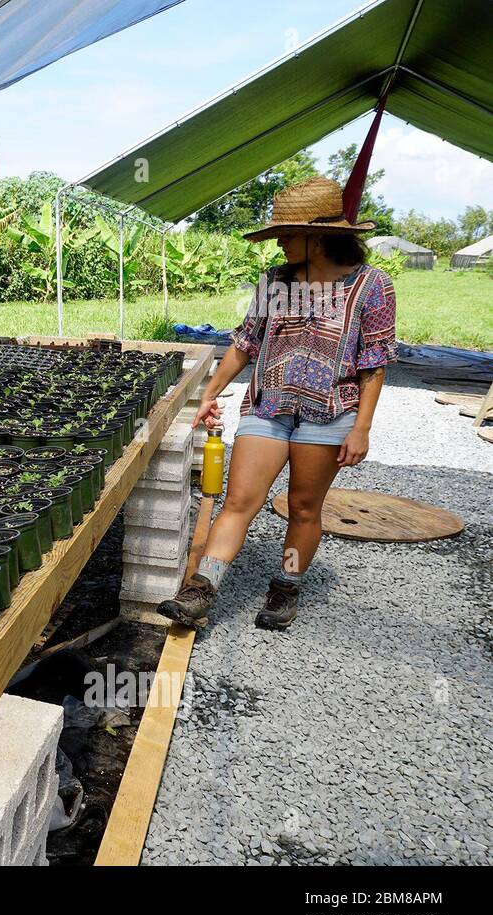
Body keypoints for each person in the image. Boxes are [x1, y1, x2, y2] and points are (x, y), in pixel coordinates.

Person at [158, 177, 397, 630]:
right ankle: (200, 590)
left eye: (288, 234)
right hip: (268, 407)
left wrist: (361, 428)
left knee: (305, 507)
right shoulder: (274, 281)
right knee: (239, 501)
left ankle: (286, 587)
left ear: (321, 236)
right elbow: (246, 343)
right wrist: (207, 394)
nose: (281, 243)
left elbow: (375, 361)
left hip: (329, 414)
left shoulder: (371, 286)